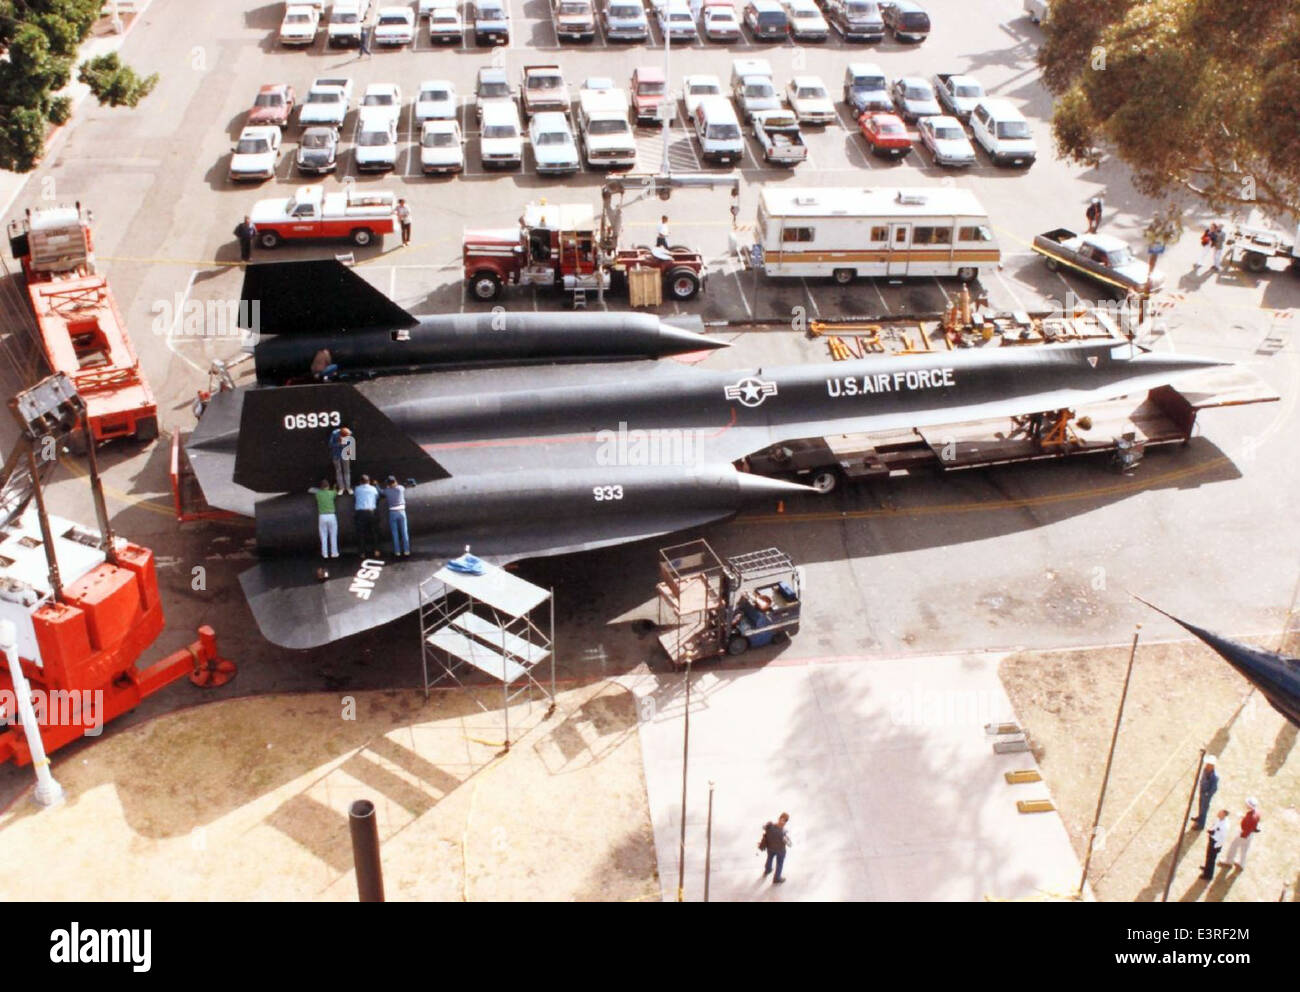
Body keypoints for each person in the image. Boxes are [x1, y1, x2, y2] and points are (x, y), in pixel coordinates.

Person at [1222, 798, 1260, 870]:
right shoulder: (1257, 813)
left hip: (1244, 834)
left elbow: (1247, 826)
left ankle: (1228, 861)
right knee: (1244, 850)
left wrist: (1242, 836)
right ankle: (1241, 864)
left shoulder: (1250, 817)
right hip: (1250, 835)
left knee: (1233, 847)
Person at [308, 479, 339, 559]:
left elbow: (311, 490)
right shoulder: (331, 493)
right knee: (333, 535)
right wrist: (335, 487)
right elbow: (336, 491)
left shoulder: (318, 494)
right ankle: (334, 553)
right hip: (331, 515)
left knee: (323, 536)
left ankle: (325, 553)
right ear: (328, 486)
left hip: (322, 516)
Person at [382, 474, 412, 557]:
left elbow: (381, 492)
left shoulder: (387, 491)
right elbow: (404, 486)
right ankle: (406, 551)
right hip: (402, 512)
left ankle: (397, 551)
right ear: (395, 481)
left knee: (395, 533)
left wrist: (376, 485)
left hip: (392, 512)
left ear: (388, 483)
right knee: (404, 532)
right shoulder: (400, 488)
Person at [759, 812, 791, 884]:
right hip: (780, 850)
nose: (782, 822)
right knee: (779, 863)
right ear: (786, 822)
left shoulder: (770, 826)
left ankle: (767, 870)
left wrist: (768, 824)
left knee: (769, 858)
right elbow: (789, 844)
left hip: (770, 848)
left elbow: (763, 827)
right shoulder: (783, 832)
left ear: (779, 818)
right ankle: (777, 878)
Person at [352, 475, 381, 556]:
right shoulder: (373, 489)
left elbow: (354, 497)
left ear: (360, 482)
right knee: (374, 532)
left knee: (361, 533)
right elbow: (377, 497)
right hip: (371, 512)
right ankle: (376, 550)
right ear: (369, 481)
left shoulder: (357, 489)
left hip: (360, 513)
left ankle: (362, 552)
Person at [1191, 754, 1218, 829]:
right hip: (1202, 792)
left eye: (1208, 764)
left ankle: (1201, 825)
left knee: (1204, 809)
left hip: (1206, 795)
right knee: (1200, 806)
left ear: (1212, 766)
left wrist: (1207, 794)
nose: (1206, 765)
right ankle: (1199, 817)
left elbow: (1214, 789)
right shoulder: (1205, 770)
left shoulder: (1215, 777)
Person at [1202, 809, 1229, 880]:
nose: (1218, 813)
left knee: (1211, 859)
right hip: (1213, 839)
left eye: (1220, 813)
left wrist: (1216, 846)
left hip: (1215, 843)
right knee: (1208, 856)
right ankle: (1206, 868)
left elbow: (1222, 837)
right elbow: (1214, 827)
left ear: (1223, 815)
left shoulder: (1224, 826)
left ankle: (1208, 875)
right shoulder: (1219, 819)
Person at [329, 426, 354, 494]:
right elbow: (330, 445)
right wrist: (339, 444)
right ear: (340, 434)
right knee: (338, 471)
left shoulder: (349, 433)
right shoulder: (334, 434)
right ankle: (341, 488)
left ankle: (348, 488)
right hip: (336, 455)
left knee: (347, 471)